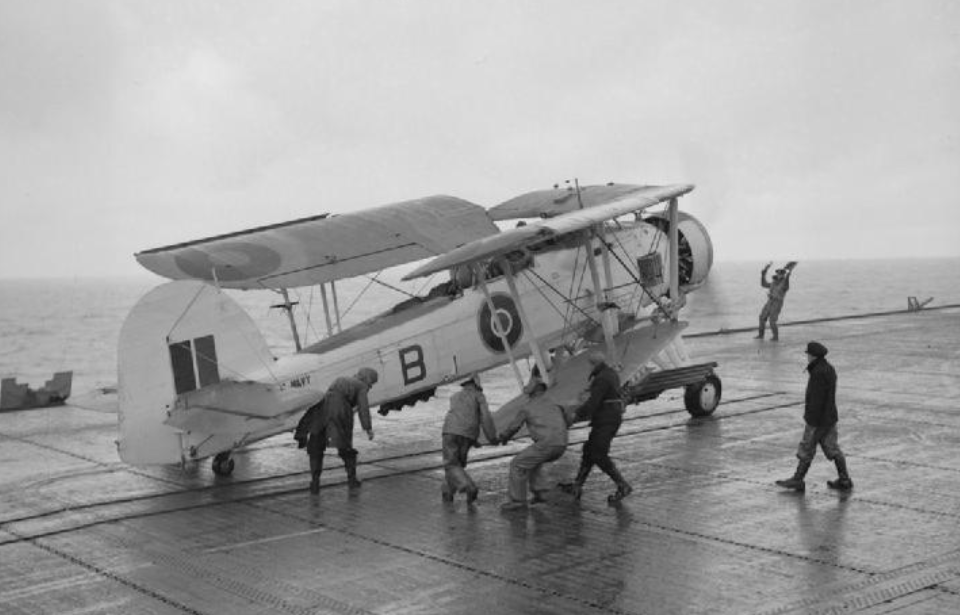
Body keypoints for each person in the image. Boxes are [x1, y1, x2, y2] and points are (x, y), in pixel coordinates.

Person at [776, 341, 854, 492]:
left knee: (807, 448)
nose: (807, 357)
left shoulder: (818, 372)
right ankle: (844, 480)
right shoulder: (828, 368)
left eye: (808, 355)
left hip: (817, 420)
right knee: (832, 448)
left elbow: (817, 400)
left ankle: (798, 480)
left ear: (813, 356)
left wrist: (815, 423)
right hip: (829, 417)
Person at [566, 351, 633, 503]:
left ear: (594, 364)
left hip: (606, 420)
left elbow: (593, 403)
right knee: (589, 450)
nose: (588, 368)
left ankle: (623, 485)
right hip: (609, 418)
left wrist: (576, 415)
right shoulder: (610, 373)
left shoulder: (602, 378)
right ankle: (577, 485)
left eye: (589, 365)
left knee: (598, 454)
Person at [300, 367, 378, 493]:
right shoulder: (361, 386)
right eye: (372, 383)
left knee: (316, 446)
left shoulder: (343, 379)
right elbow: (363, 409)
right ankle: (352, 481)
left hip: (322, 408)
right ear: (367, 379)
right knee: (345, 446)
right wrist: (368, 428)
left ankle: (314, 483)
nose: (371, 387)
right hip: (340, 411)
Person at [498, 379, 572, 511]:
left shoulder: (527, 407)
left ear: (531, 392)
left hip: (547, 444)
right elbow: (569, 419)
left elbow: (514, 427)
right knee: (533, 461)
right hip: (562, 443)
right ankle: (540, 493)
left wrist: (503, 437)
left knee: (517, 464)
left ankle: (518, 500)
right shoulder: (555, 402)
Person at [441, 373, 497, 504]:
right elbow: (485, 417)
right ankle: (448, 492)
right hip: (468, 435)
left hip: (450, 431)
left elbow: (461, 416)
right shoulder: (479, 396)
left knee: (451, 464)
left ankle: (468, 487)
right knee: (457, 465)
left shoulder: (455, 397)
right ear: (476, 382)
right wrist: (491, 437)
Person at [755, 262, 794, 341]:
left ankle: (775, 337)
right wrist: (763, 274)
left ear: (783, 275)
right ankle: (761, 335)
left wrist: (788, 276)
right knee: (762, 317)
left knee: (772, 321)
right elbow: (763, 284)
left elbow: (786, 283)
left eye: (781, 273)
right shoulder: (773, 282)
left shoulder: (785, 284)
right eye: (778, 273)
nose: (779, 274)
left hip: (777, 303)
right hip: (769, 302)